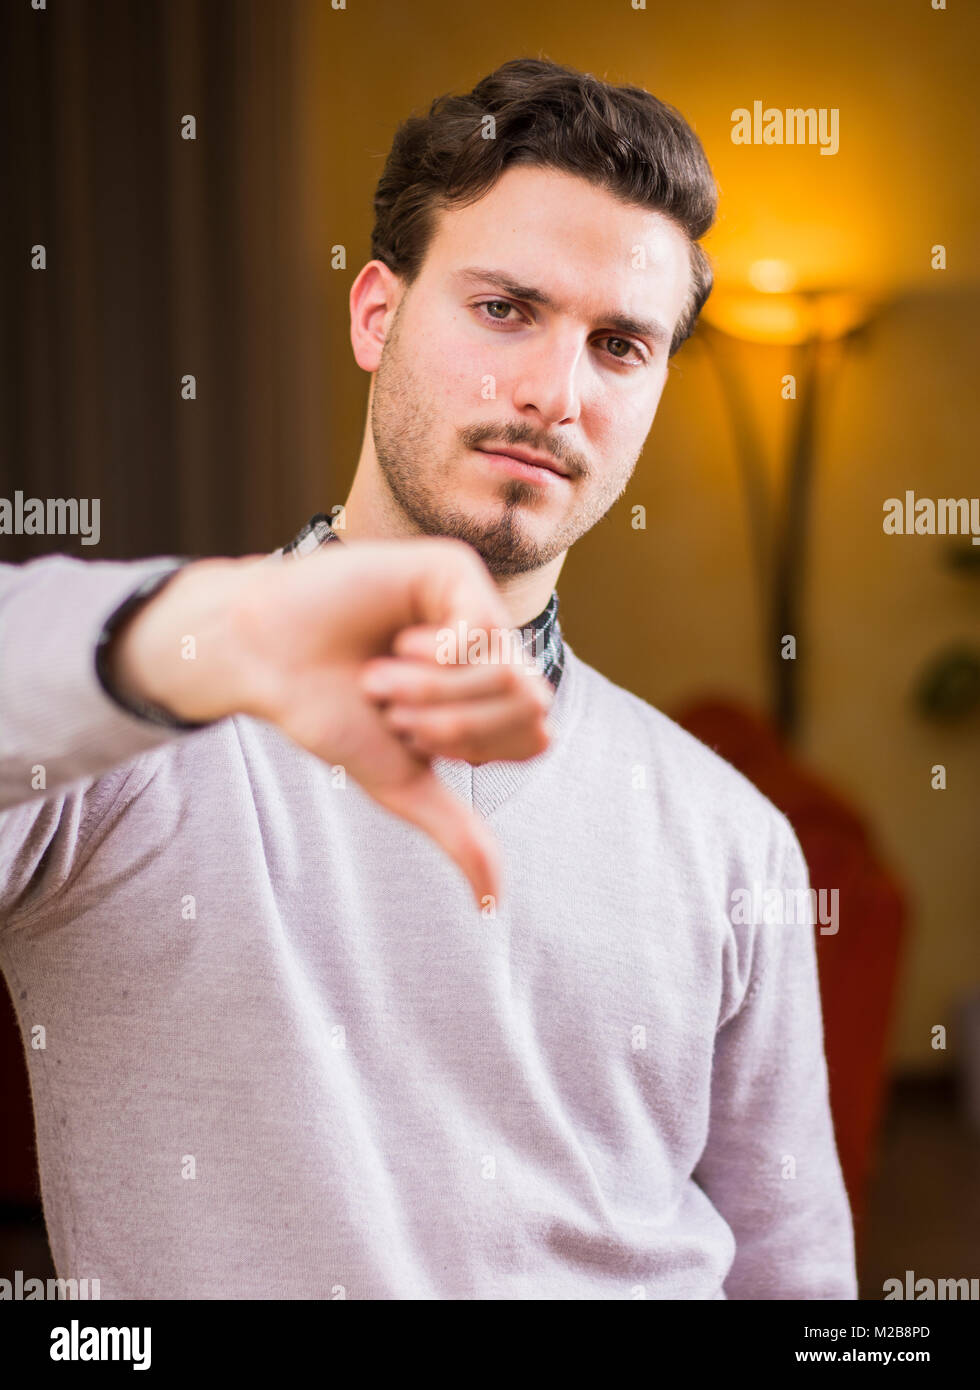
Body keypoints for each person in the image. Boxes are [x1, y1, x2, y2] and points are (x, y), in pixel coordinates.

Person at [0, 57, 857, 1299]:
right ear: (374, 315)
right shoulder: (125, 738)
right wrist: (194, 635)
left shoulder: (735, 840)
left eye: (618, 345)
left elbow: (796, 1281)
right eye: (506, 308)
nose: (553, 396)